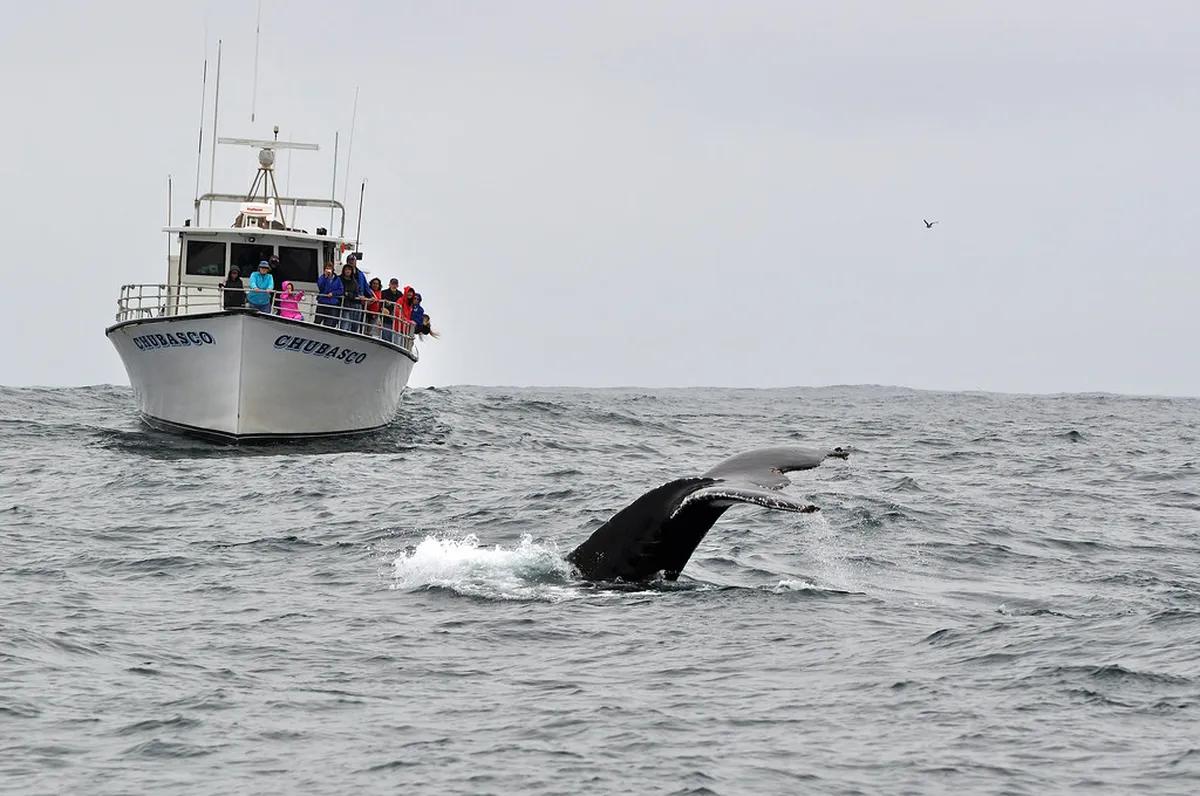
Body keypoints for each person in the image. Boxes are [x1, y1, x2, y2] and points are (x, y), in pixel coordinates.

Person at [315, 261, 343, 328]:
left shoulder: (337, 279)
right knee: (317, 322)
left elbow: (341, 290)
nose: (328, 270)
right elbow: (320, 287)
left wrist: (333, 293)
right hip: (322, 302)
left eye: (330, 268)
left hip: (332, 304)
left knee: (329, 324)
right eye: (327, 268)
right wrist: (325, 277)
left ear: (333, 269)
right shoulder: (322, 278)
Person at [338, 262, 362, 333]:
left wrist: (348, 294)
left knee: (345, 323)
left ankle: (342, 335)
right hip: (336, 303)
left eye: (349, 270)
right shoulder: (338, 279)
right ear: (343, 270)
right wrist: (344, 293)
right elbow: (336, 289)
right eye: (346, 269)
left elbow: (356, 294)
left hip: (347, 305)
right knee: (333, 321)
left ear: (351, 271)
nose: (347, 271)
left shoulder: (354, 282)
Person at [380, 278, 402, 342]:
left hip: (396, 318)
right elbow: (380, 303)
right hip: (386, 318)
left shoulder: (400, 294)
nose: (394, 285)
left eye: (395, 284)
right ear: (389, 284)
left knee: (395, 338)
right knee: (386, 337)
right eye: (392, 284)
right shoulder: (383, 292)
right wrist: (383, 307)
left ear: (397, 285)